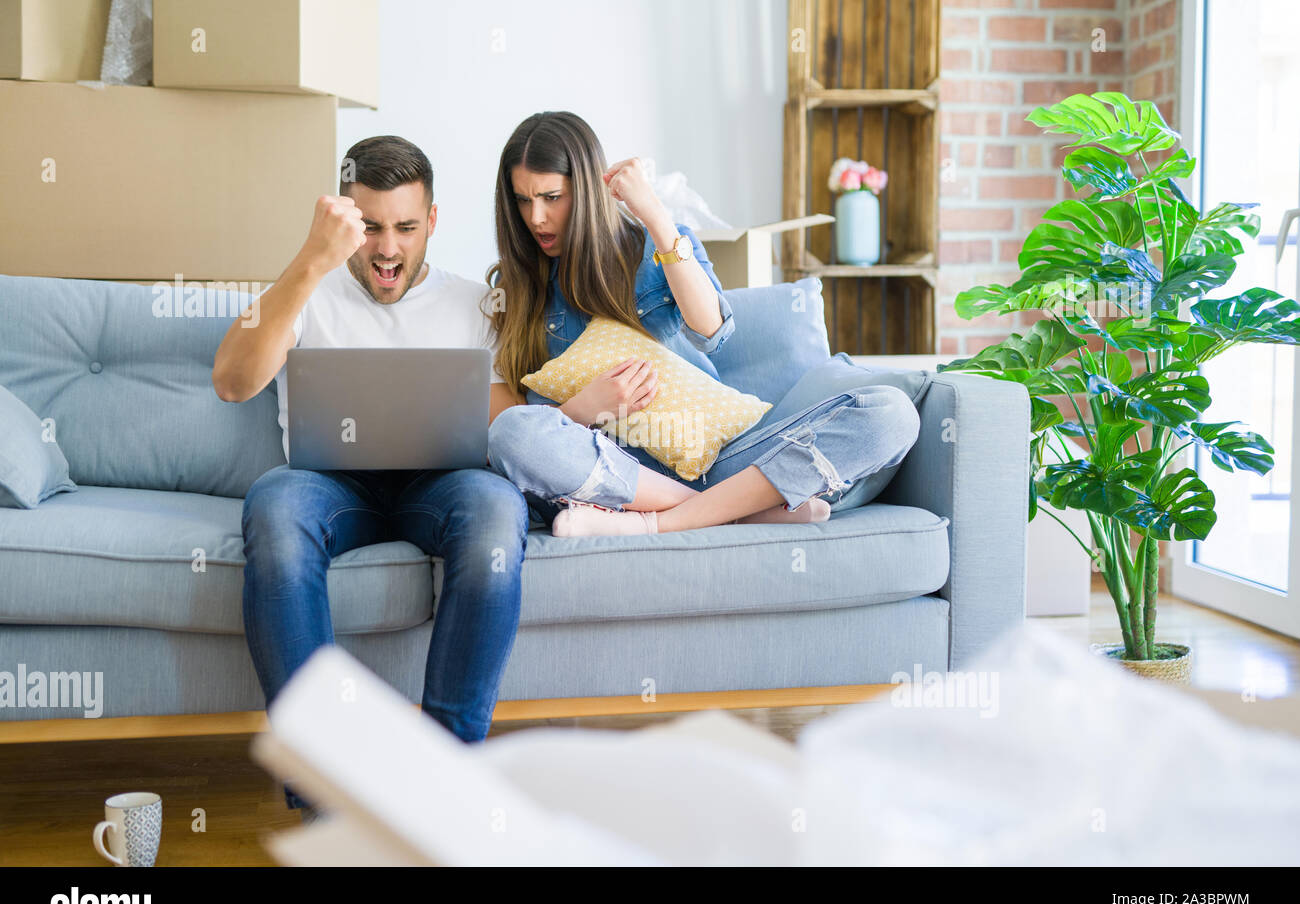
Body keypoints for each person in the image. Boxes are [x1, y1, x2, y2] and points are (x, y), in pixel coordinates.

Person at [212, 135, 529, 816]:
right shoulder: (308, 289)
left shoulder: (480, 304)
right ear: (345, 221)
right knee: (274, 508)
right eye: (371, 227)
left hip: (441, 484)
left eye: (406, 228)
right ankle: (324, 782)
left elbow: (510, 414)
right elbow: (233, 382)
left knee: (498, 513)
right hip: (330, 487)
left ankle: (446, 775)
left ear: (433, 223)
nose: (388, 249)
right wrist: (309, 260)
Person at [483, 112, 920, 536]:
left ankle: (666, 522)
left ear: (588, 191)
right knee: (510, 435)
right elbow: (533, 429)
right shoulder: (516, 284)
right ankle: (736, 512)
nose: (535, 217)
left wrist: (655, 216)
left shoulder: (658, 245)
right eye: (523, 200)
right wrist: (584, 408)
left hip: (728, 461)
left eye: (551, 197)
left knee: (893, 413)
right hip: (622, 477)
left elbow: (711, 332)